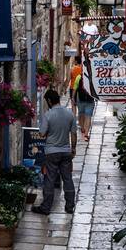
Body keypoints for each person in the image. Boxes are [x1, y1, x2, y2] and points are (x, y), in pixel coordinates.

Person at [32, 87, 77, 216]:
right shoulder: (70, 114)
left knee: (49, 179)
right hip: (66, 151)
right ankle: (69, 206)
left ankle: (46, 208)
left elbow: (41, 133)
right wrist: (73, 149)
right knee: (67, 178)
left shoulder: (48, 115)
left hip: (51, 152)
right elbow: (73, 134)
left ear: (50, 101)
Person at [75, 68, 95, 141]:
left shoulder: (79, 77)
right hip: (90, 99)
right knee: (87, 116)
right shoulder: (92, 77)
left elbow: (75, 88)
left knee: (82, 115)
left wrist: (73, 98)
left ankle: (84, 131)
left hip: (82, 100)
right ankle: (86, 132)